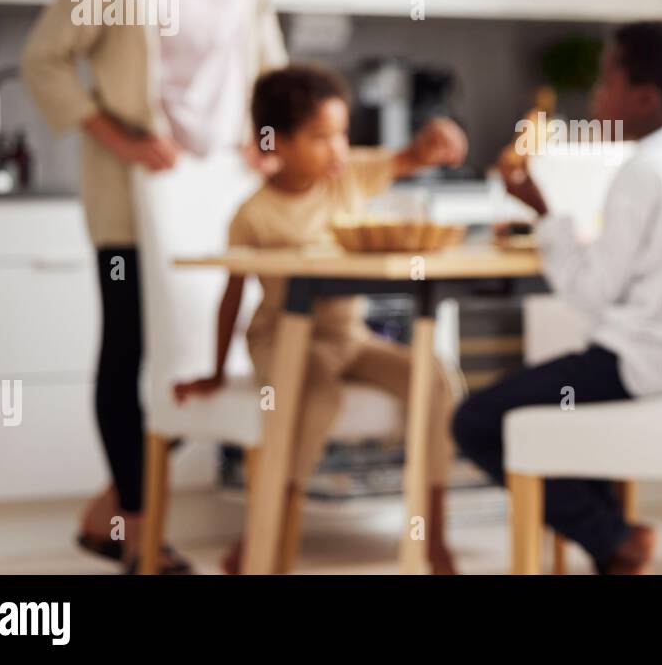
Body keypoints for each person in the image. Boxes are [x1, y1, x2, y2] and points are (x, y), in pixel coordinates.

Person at [21, 0, 287, 573]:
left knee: (203, 351)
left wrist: (269, 130)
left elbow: (262, 36)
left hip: (220, 181)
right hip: (136, 188)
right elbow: (46, 58)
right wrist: (121, 136)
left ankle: (110, 507)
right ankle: (139, 527)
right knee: (135, 344)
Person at [452, 20, 662, 574]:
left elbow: (590, 295)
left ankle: (614, 539)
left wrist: (543, 212)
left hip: (647, 365)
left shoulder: (643, 170)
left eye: (605, 81)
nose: (594, 95)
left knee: (474, 419)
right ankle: (611, 543)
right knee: (564, 391)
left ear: (644, 97)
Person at [175, 64, 468, 574]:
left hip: (348, 336)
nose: (337, 149)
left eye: (341, 134)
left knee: (436, 378)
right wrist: (216, 372)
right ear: (278, 144)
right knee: (314, 398)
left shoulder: (350, 176)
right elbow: (232, 293)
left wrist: (438, 137)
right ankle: (264, 537)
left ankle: (433, 537)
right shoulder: (254, 214)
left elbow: (413, 156)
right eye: (320, 137)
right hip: (284, 340)